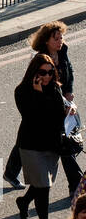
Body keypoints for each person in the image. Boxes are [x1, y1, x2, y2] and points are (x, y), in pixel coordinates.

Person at [5, 21, 82, 195]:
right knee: (28, 136)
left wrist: (69, 92)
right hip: (44, 101)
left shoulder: (63, 51)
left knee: (63, 138)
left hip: (60, 102)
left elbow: (69, 71)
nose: (60, 41)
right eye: (56, 38)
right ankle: (12, 172)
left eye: (61, 37)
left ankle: (75, 183)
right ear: (46, 41)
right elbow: (33, 81)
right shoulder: (40, 58)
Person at [12, 51, 67, 219]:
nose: (47, 76)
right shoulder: (22, 91)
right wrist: (38, 93)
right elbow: (33, 117)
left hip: (52, 146)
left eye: (51, 72)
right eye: (43, 72)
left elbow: (58, 115)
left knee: (43, 184)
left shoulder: (55, 88)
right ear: (34, 72)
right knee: (43, 187)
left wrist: (67, 110)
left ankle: (24, 201)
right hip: (31, 145)